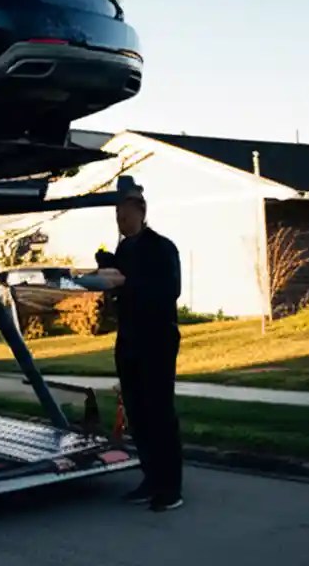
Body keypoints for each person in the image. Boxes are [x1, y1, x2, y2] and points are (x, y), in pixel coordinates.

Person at [93, 187, 184, 512]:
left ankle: (170, 487)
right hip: (129, 339)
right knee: (137, 412)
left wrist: (125, 283)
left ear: (140, 212)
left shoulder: (161, 248)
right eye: (117, 215)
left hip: (157, 338)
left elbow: (169, 290)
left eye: (125, 213)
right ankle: (150, 478)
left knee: (159, 411)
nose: (120, 219)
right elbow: (108, 282)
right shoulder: (124, 250)